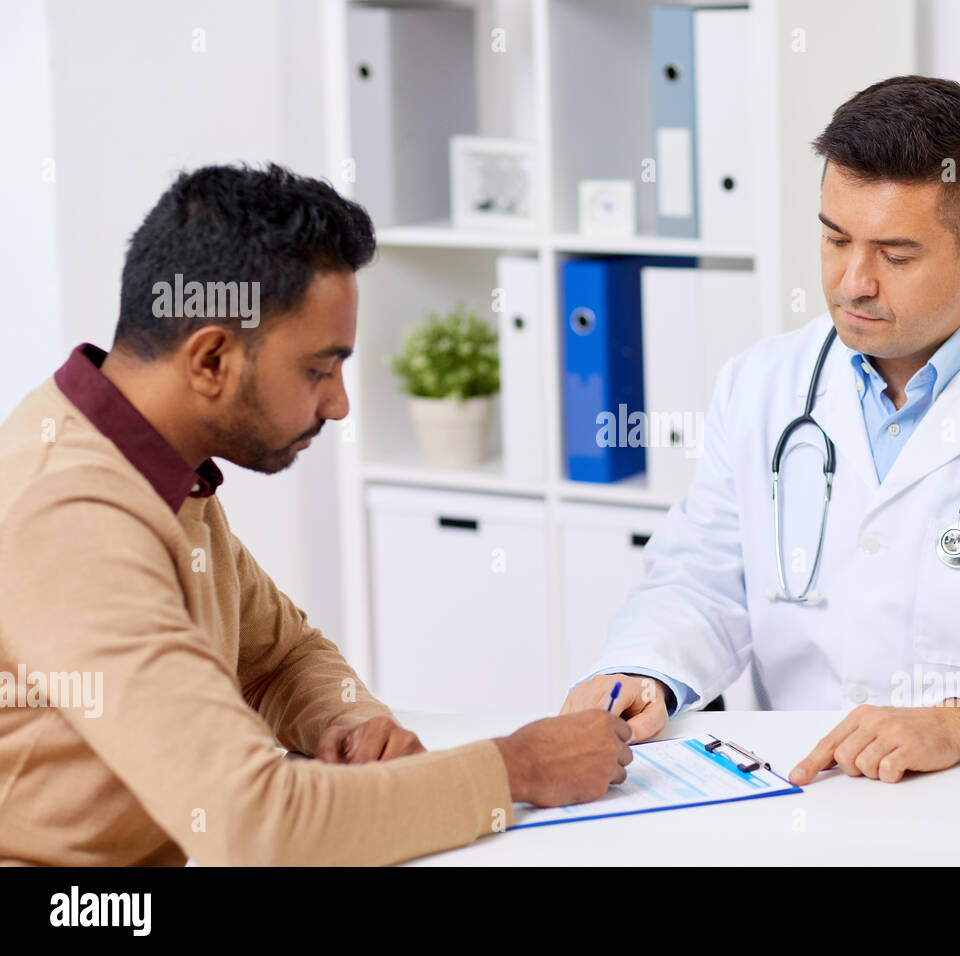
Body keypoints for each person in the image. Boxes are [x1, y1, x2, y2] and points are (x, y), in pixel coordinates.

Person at [562, 75, 960, 785]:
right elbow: (701, 580)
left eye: (895, 255)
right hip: (797, 790)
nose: (853, 281)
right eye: (836, 239)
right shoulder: (760, 385)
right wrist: (640, 671)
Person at [0, 163, 630, 865]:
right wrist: (514, 769)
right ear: (211, 358)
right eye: (318, 369)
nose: (339, 404)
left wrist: (348, 719)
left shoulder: (157, 468)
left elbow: (279, 657)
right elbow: (254, 822)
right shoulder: (70, 514)